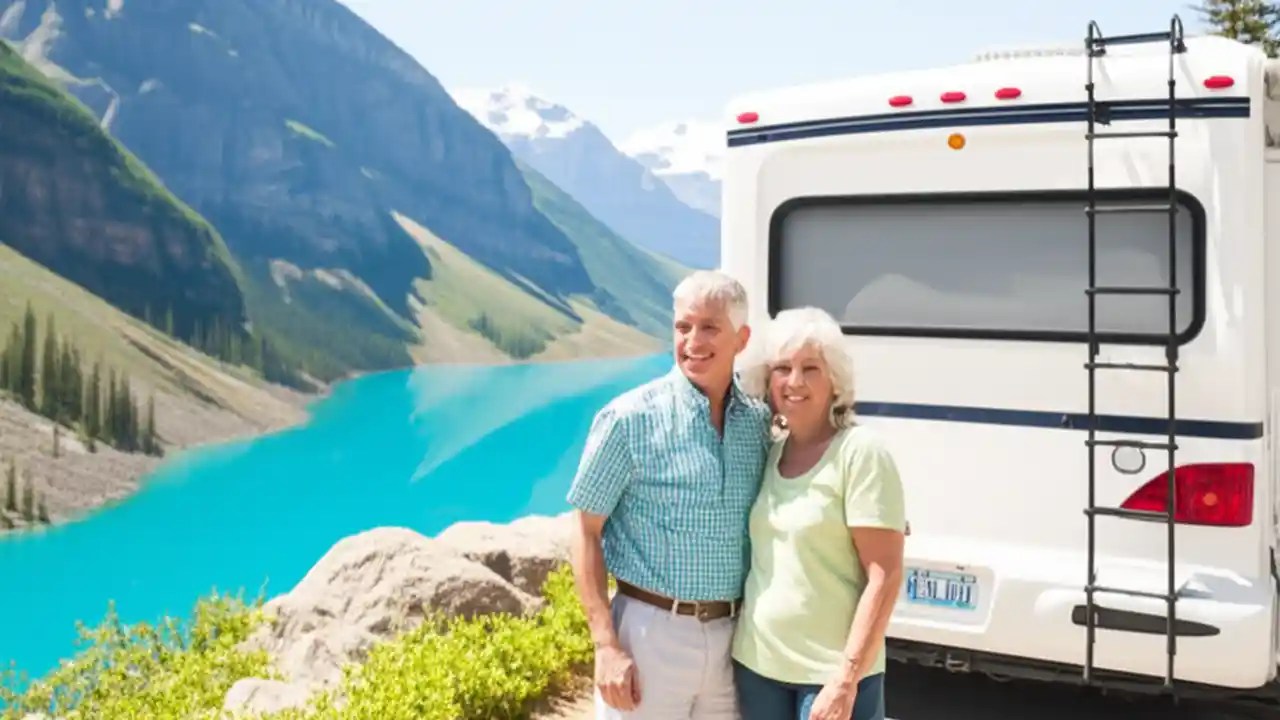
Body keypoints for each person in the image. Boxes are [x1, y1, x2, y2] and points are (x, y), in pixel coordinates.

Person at [565, 269, 773, 719]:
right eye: (683, 327)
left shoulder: (756, 424)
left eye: (709, 327)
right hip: (649, 635)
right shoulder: (628, 419)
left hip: (734, 640)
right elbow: (585, 532)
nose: (692, 341)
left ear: (742, 338)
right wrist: (605, 644)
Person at [731, 306, 907, 720]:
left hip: (831, 676)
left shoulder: (861, 452)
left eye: (810, 368)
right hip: (758, 667)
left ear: (834, 380)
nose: (794, 382)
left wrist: (846, 678)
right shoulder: (770, 453)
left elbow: (886, 574)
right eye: (782, 368)